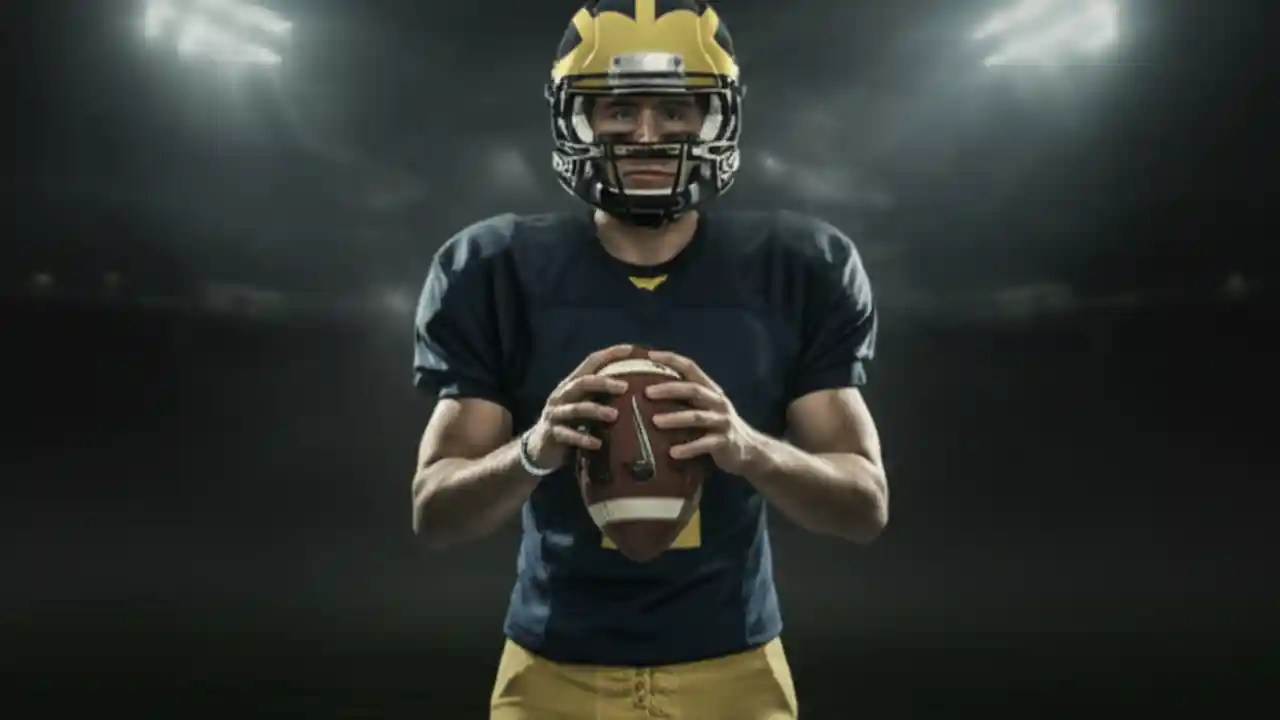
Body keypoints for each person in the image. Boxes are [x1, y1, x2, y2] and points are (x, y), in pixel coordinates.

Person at [410, 1, 889, 717]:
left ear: (715, 120)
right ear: (577, 120)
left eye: (676, 112)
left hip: (738, 672)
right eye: (617, 110)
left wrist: (747, 448)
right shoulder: (494, 268)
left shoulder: (800, 267)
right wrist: (534, 449)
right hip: (550, 674)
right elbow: (435, 511)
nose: (645, 134)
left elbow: (864, 505)